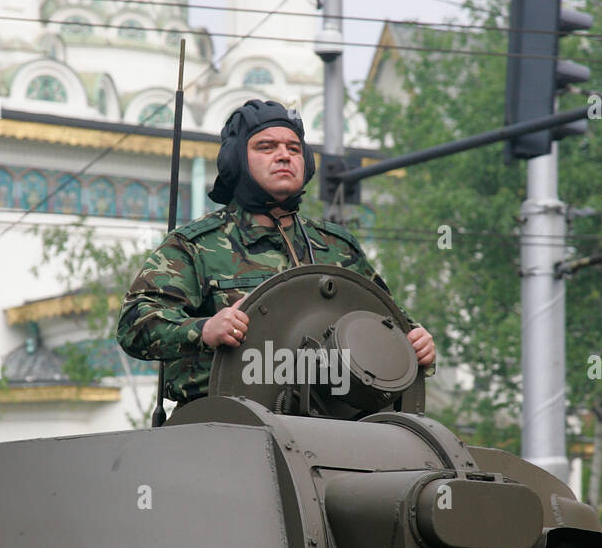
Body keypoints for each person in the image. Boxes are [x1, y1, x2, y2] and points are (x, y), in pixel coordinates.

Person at [117, 98, 435, 405]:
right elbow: (134, 325)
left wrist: (416, 343)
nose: (284, 155)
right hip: (223, 420)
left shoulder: (337, 247)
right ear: (237, 161)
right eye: (266, 147)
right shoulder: (196, 245)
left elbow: (387, 323)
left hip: (333, 424)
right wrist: (204, 329)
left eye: (294, 149)